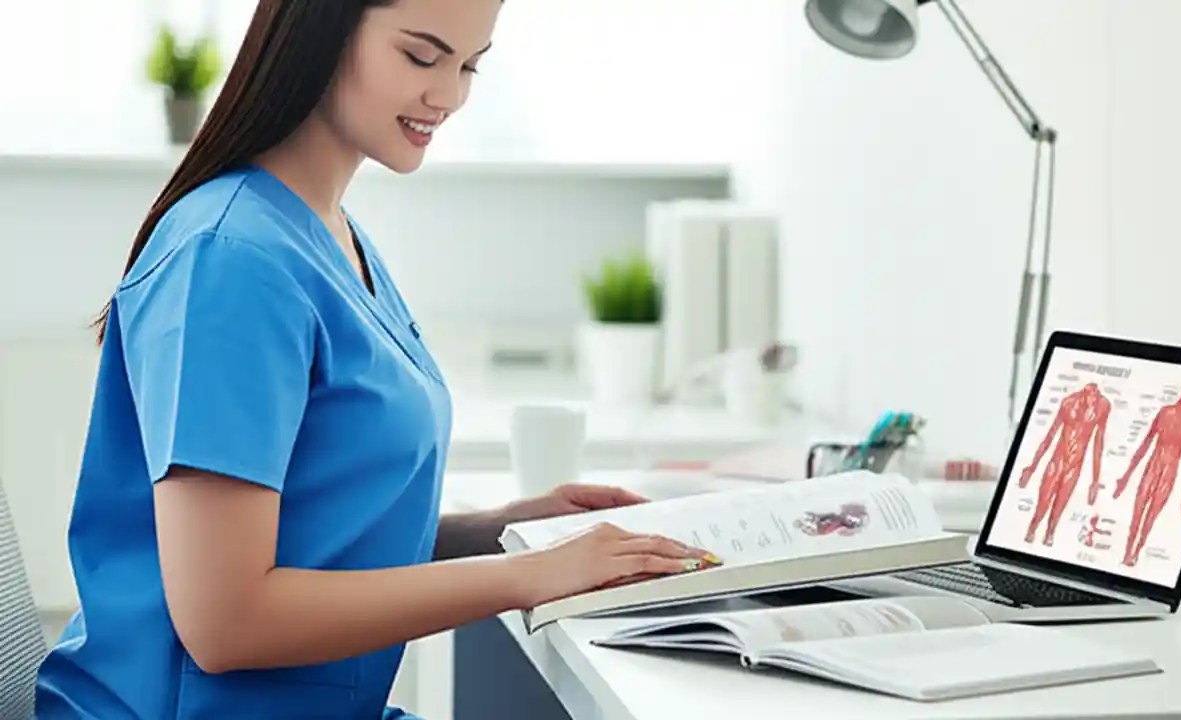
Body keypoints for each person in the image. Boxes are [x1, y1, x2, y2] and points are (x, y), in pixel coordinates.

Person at [33, 1, 717, 717]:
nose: (449, 95)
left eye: (469, 65)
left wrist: (500, 527)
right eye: (421, 57)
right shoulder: (231, 260)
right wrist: (524, 574)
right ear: (318, 32)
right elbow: (226, 622)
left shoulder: (325, 231)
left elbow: (319, 532)